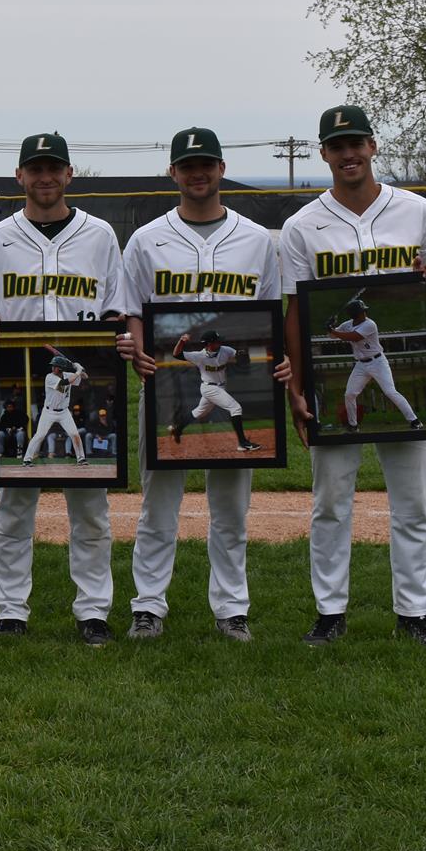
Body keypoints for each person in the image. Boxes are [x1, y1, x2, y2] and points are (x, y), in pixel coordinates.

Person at [282, 105, 426, 650]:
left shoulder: (418, 210)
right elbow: (295, 313)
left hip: (384, 359)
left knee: (413, 504)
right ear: (324, 153)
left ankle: (415, 614)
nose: (348, 153)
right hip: (343, 374)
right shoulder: (301, 226)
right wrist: (296, 387)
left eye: (356, 142)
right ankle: (330, 612)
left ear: (373, 146)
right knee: (330, 501)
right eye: (337, 145)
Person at [115, 127, 291, 643]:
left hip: (222, 385)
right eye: (188, 164)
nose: (198, 172)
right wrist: (137, 351)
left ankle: (231, 608)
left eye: (207, 163)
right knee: (158, 507)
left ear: (221, 168)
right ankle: (148, 606)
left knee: (232, 509)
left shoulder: (256, 239)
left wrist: (276, 363)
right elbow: (132, 313)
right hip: (163, 388)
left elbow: (270, 317)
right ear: (173, 172)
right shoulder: (147, 239)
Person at [0, 132, 125, 647]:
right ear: (19, 176)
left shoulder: (100, 235)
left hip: (86, 384)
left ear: (69, 174)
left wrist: (116, 341)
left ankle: (93, 610)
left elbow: (115, 311)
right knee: (13, 504)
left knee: (91, 509)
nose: (44, 177)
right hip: (16, 383)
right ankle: (11, 609)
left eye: (53, 167)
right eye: (35, 168)